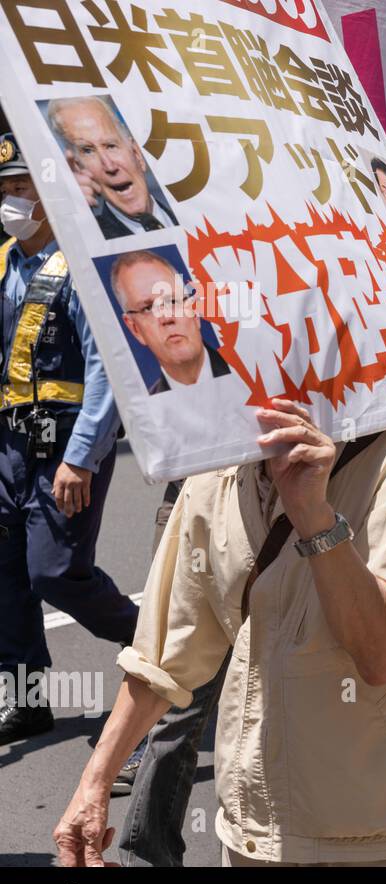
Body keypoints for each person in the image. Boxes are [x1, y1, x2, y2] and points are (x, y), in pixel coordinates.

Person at [55, 405, 386, 866]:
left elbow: (384, 653)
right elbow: (163, 655)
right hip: (257, 830)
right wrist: (94, 784)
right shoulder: (218, 471)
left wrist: (314, 516)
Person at [0, 134, 141, 782]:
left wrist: (81, 458)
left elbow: (108, 369)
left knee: (54, 571)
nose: (12, 199)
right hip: (9, 449)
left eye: (23, 188)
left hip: (63, 448)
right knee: (6, 573)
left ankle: (151, 647)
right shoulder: (8, 265)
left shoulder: (81, 268)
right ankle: (26, 696)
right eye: (5, 188)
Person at [47, 96, 178, 239]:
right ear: (79, 169)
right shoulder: (85, 238)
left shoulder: (194, 213)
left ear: (137, 154)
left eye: (111, 146)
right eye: (88, 151)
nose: (109, 166)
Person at [108, 250, 231, 393]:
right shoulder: (144, 413)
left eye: (172, 301)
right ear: (135, 329)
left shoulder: (252, 370)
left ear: (194, 312)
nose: (167, 318)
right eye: (148, 308)